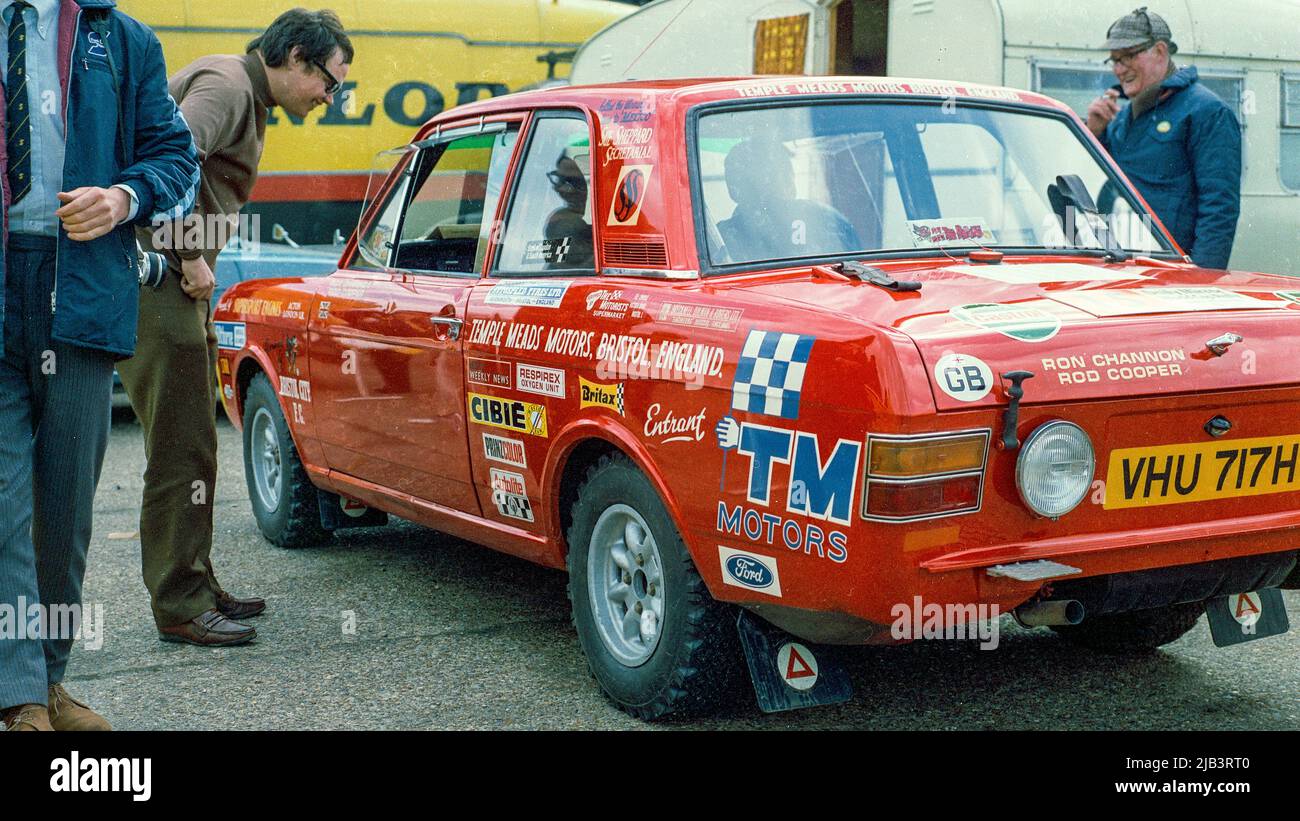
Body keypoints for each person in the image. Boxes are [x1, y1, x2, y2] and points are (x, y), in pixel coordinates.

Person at [116, 8, 353, 647]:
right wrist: (189, 255)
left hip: (168, 273)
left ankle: (194, 582)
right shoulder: (226, 85)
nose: (328, 100)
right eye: (327, 83)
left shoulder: (246, 93)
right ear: (297, 56)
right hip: (154, 273)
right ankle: (181, 604)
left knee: (194, 442)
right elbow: (165, 160)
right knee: (181, 446)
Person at [0, 0, 199, 731]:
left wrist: (123, 197)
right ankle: (19, 695)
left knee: (66, 506)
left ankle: (48, 680)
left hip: (81, 287)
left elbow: (176, 156)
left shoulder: (121, 37)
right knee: (3, 502)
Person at [1085, 6, 1241, 270]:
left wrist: (1201, 279)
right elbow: (1107, 182)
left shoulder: (1207, 112)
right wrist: (1095, 133)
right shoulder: (1123, 118)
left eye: (1128, 57)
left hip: (1171, 272)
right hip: (1125, 266)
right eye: (1114, 60)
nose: (1119, 69)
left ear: (1160, 51)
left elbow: (1219, 208)